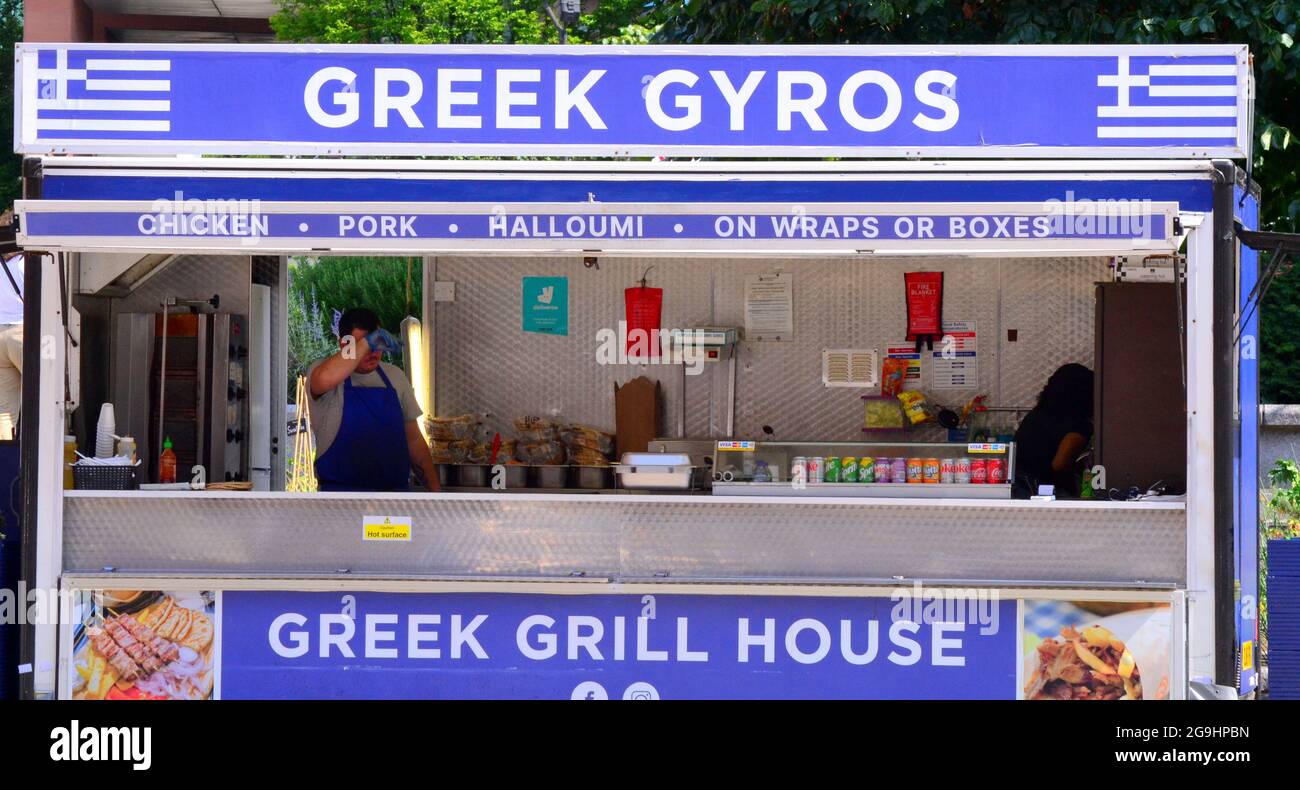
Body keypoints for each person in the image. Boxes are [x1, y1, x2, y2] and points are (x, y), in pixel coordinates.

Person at [307, 307, 440, 492]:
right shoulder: (324, 373)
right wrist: (366, 343)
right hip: (339, 499)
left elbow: (414, 442)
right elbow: (324, 379)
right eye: (366, 345)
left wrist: (436, 496)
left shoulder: (395, 377)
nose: (372, 351)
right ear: (344, 345)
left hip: (394, 499)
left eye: (378, 343)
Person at [1012, 363, 1094, 498]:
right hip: (1040, 490)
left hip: (1016, 488)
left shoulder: (1035, 415)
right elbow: (1060, 465)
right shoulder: (1079, 426)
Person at [0, 254, 23, 441]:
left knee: (5, 412)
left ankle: (5, 459)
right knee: (43, 392)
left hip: (0, 335)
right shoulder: (27, 264)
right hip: (21, 333)